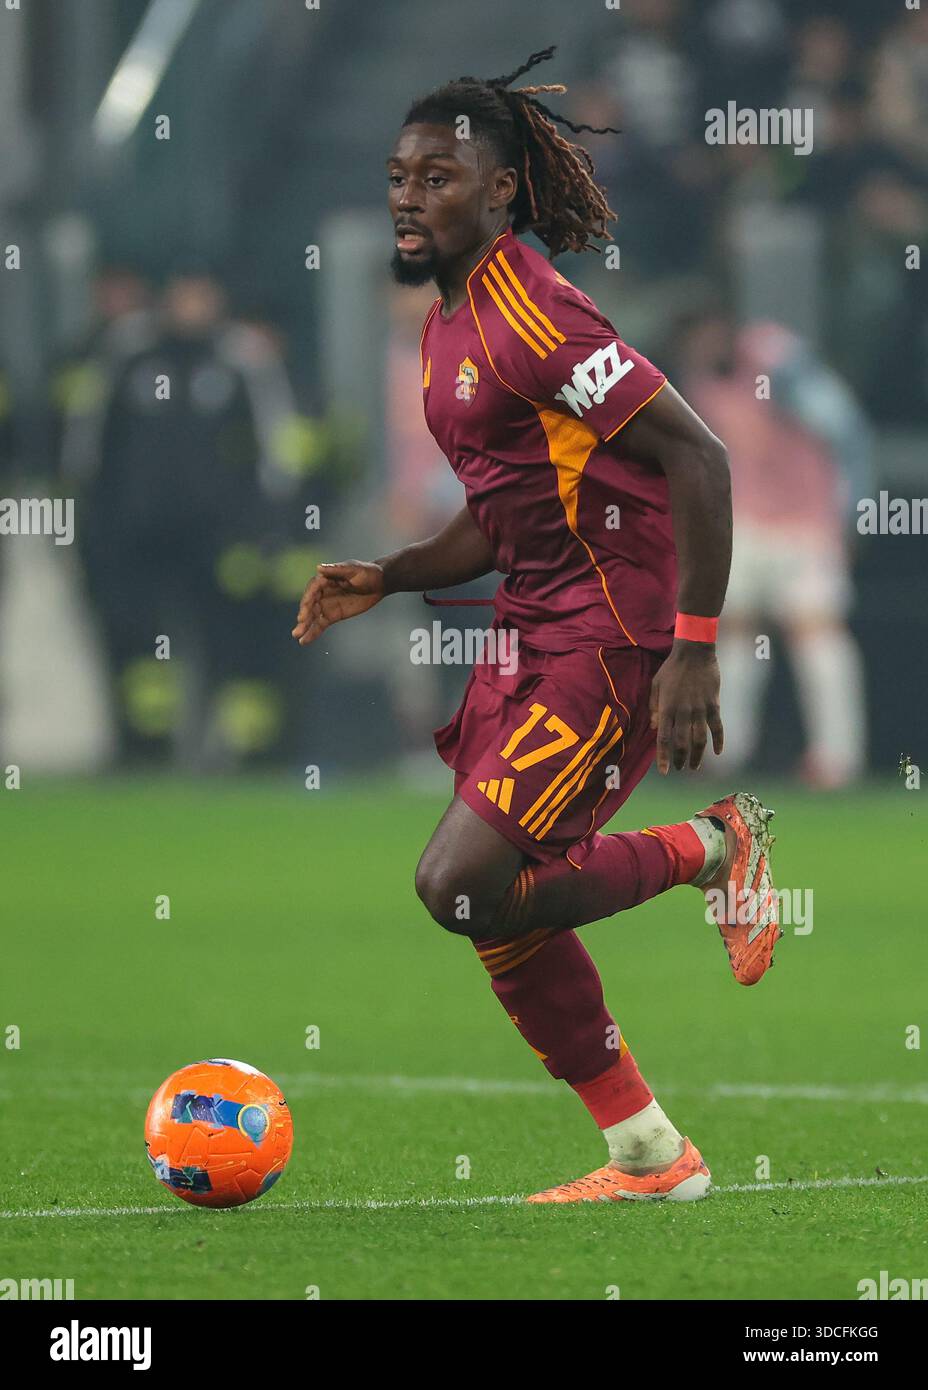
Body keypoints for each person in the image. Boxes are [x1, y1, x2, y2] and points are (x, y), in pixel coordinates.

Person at [293, 48, 781, 1205]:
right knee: (492, 903)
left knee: (456, 880)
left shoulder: (531, 308)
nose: (410, 196)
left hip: (610, 632)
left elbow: (696, 455)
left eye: (439, 176)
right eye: (399, 176)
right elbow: (505, 505)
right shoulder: (448, 322)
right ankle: (650, 1157)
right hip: (532, 622)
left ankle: (713, 845)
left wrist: (692, 646)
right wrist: (397, 571)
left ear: (502, 188)